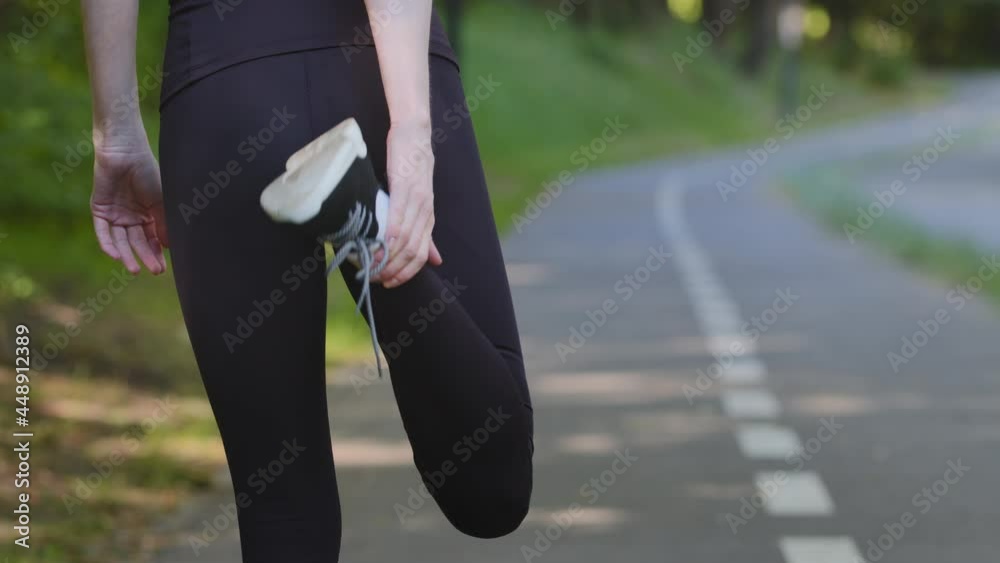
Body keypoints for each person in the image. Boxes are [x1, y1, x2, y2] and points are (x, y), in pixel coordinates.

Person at [81, 1, 534, 561]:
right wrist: (412, 129)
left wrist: (116, 132)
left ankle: (359, 222)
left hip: (221, 87)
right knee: (493, 488)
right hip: (378, 65)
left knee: (281, 504)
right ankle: (364, 224)